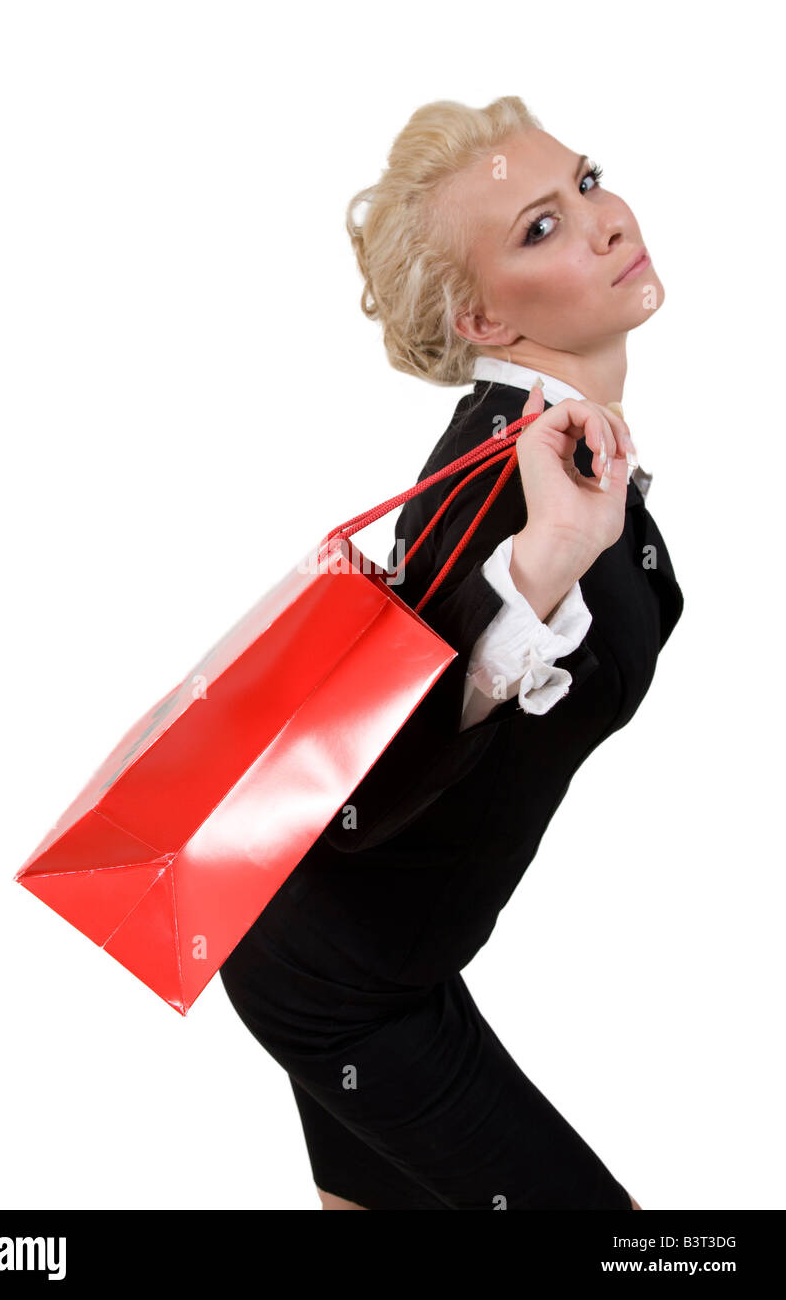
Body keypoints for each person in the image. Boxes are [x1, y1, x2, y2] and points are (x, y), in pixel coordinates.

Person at [219, 95, 684, 1210]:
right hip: (333, 974)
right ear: (479, 318)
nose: (605, 220)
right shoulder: (494, 493)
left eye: (583, 182)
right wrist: (539, 571)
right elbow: (377, 769)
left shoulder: (552, 441)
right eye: (539, 227)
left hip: (385, 949)